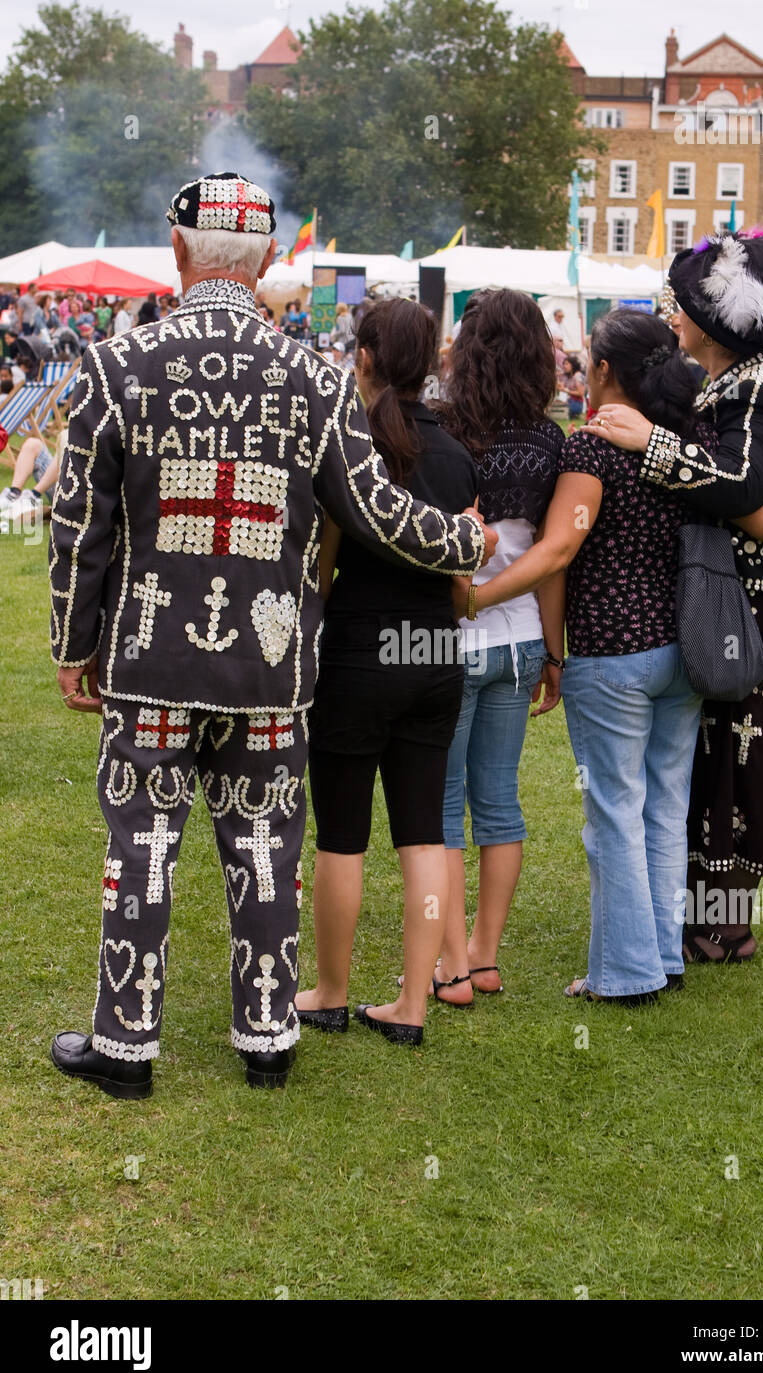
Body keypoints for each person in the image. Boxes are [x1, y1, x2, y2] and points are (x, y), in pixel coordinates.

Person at [47, 170, 495, 1102]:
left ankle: (126, 1045)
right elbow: (374, 511)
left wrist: (74, 641)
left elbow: (77, 524)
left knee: (141, 847)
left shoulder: (115, 367)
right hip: (270, 664)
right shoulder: (315, 379)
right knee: (264, 850)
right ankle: (267, 1033)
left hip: (152, 663)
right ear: (266, 264)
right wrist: (466, 539)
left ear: (178, 252)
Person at [457, 310, 763, 1002]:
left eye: (589, 360)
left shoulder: (592, 451)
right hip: (683, 653)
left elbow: (557, 551)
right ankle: (661, 958)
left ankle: (626, 973)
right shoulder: (688, 444)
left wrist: (481, 597)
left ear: (607, 371)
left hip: (613, 653)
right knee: (663, 809)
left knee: (614, 812)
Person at [583, 228, 763, 964]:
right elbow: (760, 495)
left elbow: (746, 484)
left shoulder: (757, 389)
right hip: (729, 581)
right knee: (717, 739)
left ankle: (725, 920)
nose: (671, 317)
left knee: (739, 737)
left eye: (679, 306)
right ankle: (697, 908)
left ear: (716, 320)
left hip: (747, 593)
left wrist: (650, 443)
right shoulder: (738, 383)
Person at [297, 299, 479, 1046]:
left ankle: (330, 992)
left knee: (341, 835)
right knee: (424, 835)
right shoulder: (460, 454)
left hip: (360, 652)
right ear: (433, 359)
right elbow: (464, 578)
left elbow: (322, 570)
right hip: (434, 651)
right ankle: (411, 1002)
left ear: (364, 357)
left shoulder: (349, 446)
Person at [428, 288, 564, 1006]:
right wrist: (553, 653)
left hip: (449, 640)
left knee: (444, 808)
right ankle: (484, 956)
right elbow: (551, 556)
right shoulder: (549, 441)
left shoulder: (443, 431)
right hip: (517, 643)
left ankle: (448, 967)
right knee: (500, 804)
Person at [0, 430, 64, 524]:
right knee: (32, 444)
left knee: (66, 442)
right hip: (61, 479)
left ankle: (33, 497)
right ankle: (13, 494)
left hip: (77, 489)